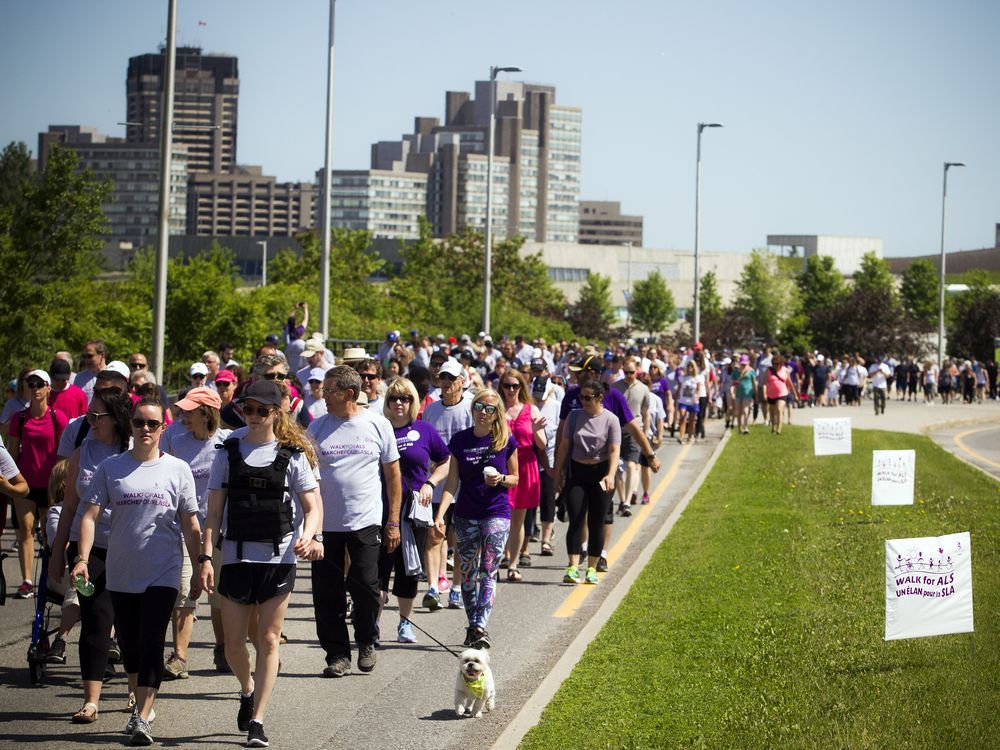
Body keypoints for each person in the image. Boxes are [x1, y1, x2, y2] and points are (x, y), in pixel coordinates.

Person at [70, 398, 203, 745]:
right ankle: (138, 704)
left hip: (163, 570)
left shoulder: (178, 469)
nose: (146, 428)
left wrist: (202, 564)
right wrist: (82, 559)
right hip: (121, 572)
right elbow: (88, 515)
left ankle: (142, 717)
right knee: (129, 645)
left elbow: (190, 523)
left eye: (153, 423)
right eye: (140, 422)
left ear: (163, 428)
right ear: (130, 426)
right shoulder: (112, 468)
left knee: (151, 641)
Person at [201, 380, 322, 748]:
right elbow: (213, 514)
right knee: (233, 646)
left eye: (260, 410)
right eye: (246, 410)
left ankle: (258, 719)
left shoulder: (294, 455)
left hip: (279, 557)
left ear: (276, 413)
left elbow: (313, 506)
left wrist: (312, 536)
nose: (252, 416)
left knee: (268, 639)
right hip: (236, 557)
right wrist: (207, 557)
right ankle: (247, 688)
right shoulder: (227, 453)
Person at [307, 366, 401, 677]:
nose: (323, 396)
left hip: (365, 523)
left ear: (349, 393)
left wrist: (393, 522)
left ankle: (366, 641)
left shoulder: (377, 424)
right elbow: (304, 476)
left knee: (365, 587)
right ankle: (337, 653)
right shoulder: (317, 427)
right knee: (326, 593)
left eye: (329, 390)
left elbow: (392, 477)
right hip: (325, 526)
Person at [49, 388, 133, 723]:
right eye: (89, 415)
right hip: (88, 549)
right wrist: (59, 552)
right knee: (96, 619)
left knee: (130, 622)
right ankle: (91, 700)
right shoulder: (84, 449)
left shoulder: (133, 449)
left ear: (117, 418)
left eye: (98, 416)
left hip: (130, 548)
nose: (91, 421)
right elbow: (70, 505)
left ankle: (134, 692)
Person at [433, 389, 518, 650]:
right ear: (473, 409)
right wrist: (440, 514)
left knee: (489, 569)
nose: (483, 411)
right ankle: (474, 625)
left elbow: (515, 478)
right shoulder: (460, 441)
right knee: (467, 573)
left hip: (496, 512)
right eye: (479, 406)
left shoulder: (505, 440)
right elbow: (451, 482)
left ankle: (480, 625)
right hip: (466, 513)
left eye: (490, 408)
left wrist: (501, 479)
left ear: (497, 414)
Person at [161, 387, 232, 678]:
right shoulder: (175, 440)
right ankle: (179, 657)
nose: (183, 416)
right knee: (185, 590)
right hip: (184, 528)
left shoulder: (228, 442)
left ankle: (223, 648)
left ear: (207, 413)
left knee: (218, 596)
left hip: (219, 529)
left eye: (190, 411)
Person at [380, 377, 450, 644]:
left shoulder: (424, 429)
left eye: (405, 398)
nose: (399, 403)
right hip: (382, 511)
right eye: (394, 398)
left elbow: (445, 460)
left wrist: (431, 483)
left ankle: (405, 624)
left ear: (413, 401)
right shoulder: (379, 428)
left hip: (415, 514)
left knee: (409, 570)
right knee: (378, 571)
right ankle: (373, 624)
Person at [7, 369, 69, 598]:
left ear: (48, 388)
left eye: (39, 384)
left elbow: (64, 454)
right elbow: (12, 453)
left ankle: (49, 578)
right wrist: (10, 485)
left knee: (48, 533)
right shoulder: (19, 418)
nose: (35, 388)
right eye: (30, 384)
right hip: (25, 484)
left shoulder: (57, 417)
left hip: (50, 485)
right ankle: (26, 580)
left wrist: (62, 483)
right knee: (25, 530)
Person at [553, 379, 620, 585]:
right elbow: (564, 446)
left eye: (588, 398)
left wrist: (610, 474)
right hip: (577, 473)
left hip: (601, 473)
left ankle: (591, 568)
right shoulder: (574, 417)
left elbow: (614, 450)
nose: (583, 401)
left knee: (597, 522)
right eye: (581, 397)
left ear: (600, 398)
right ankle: (572, 567)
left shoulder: (611, 419)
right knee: (576, 518)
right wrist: (558, 473)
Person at [419, 358, 473, 609]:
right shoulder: (431, 410)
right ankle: (432, 587)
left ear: (462, 381)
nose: (447, 383)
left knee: (460, 540)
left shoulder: (471, 407)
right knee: (434, 535)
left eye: (452, 379)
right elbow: (426, 444)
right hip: (437, 485)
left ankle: (457, 587)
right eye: (443, 378)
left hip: (464, 487)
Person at [498, 369, 545, 581]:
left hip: (526, 466)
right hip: (502, 467)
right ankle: (496, 560)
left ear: (521, 387)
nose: (510, 390)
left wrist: (535, 430)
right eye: (507, 386)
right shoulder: (496, 409)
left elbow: (542, 444)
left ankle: (513, 565)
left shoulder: (531, 409)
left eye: (515, 386)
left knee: (518, 521)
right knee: (500, 520)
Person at [611, 357, 650, 514]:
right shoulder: (614, 388)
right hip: (617, 431)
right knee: (618, 470)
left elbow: (645, 414)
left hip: (635, 431)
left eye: (631, 372)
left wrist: (645, 434)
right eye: (626, 372)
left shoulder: (643, 389)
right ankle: (621, 500)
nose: (628, 375)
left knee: (632, 465)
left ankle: (627, 501)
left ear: (637, 371)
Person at [765, 353, 796, 434]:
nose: (775, 365)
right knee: (772, 411)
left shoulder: (785, 370)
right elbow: (765, 383)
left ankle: (779, 429)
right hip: (771, 394)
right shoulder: (769, 370)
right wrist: (764, 393)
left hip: (782, 393)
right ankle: (773, 426)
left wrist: (795, 394)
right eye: (774, 364)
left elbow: (790, 383)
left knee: (779, 409)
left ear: (781, 363)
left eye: (777, 364)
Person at [73, 339, 108, 404]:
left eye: (89, 356)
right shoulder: (80, 377)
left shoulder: (113, 375)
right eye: (84, 356)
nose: (86, 360)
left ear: (102, 355)